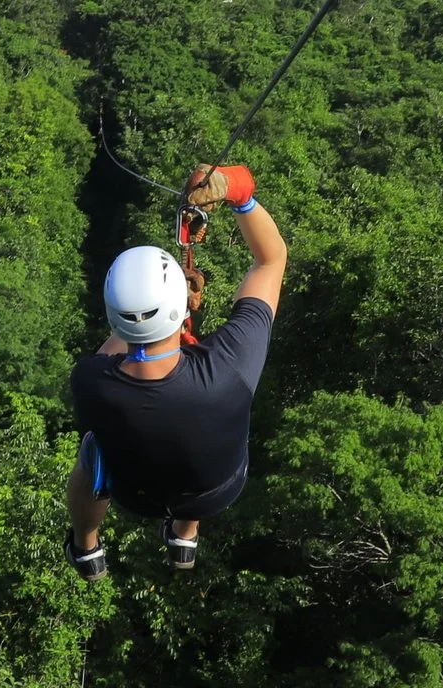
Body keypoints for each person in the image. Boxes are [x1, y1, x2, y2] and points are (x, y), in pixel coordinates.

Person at [67, 164, 286, 578]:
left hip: (138, 496)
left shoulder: (90, 383)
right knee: (207, 433)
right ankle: (185, 534)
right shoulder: (229, 368)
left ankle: (85, 544)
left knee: (93, 449)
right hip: (218, 490)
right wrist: (241, 193)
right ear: (179, 306)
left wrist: (170, 314)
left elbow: (113, 353)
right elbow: (271, 261)